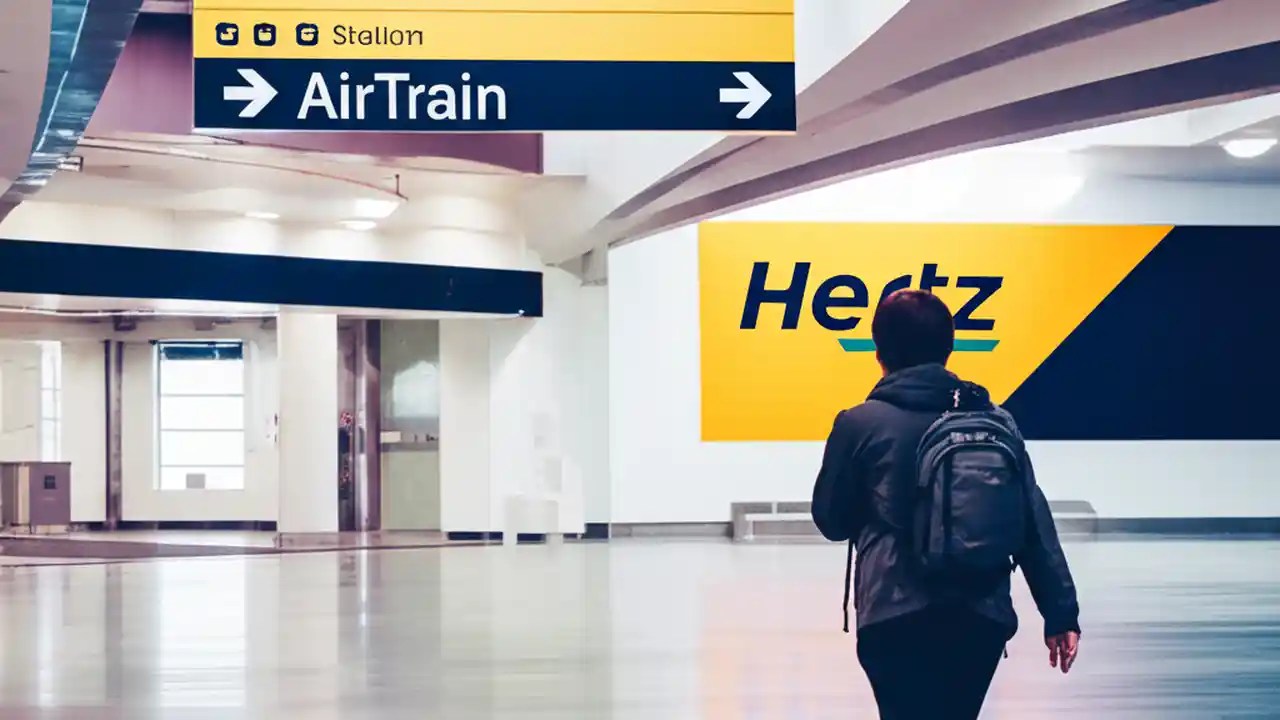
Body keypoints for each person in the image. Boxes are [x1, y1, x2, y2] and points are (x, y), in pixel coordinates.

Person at [811, 289, 1081, 720]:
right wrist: (1060, 613)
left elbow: (831, 520)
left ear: (879, 351)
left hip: (892, 613)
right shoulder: (995, 420)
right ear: (948, 348)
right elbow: (1032, 522)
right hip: (980, 614)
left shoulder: (859, 423)